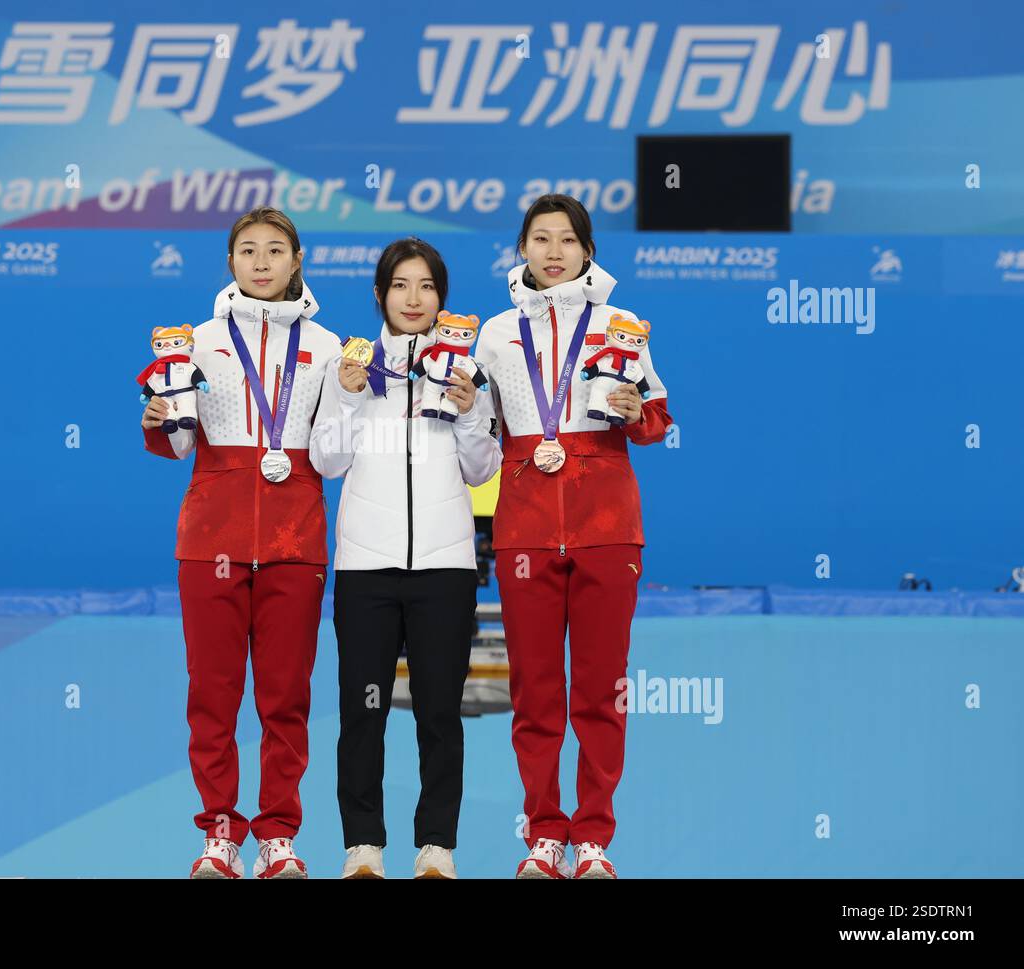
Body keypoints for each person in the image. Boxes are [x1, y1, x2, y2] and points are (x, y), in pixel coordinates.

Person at [473, 194, 674, 879]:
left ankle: (592, 839)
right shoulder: (495, 334)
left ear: (588, 251)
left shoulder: (622, 325)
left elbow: (655, 420)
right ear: (522, 248)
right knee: (532, 690)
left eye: (567, 240)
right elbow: (478, 429)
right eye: (540, 238)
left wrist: (634, 409)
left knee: (599, 686)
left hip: (606, 525)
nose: (554, 251)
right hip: (525, 521)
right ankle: (543, 837)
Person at [141, 206, 341, 879]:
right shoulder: (194, 344)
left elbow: (335, 451)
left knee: (286, 694)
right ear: (230, 262)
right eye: (248, 250)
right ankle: (220, 833)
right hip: (211, 537)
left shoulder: (327, 346)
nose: (261, 261)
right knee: (214, 691)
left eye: (275, 249)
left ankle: (278, 833)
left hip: (297, 537)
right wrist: (160, 420)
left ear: (296, 260)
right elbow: (178, 444)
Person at [310, 238, 502, 879]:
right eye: (400, 285)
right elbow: (327, 462)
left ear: (442, 297)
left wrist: (473, 413)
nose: (413, 299)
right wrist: (345, 397)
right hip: (366, 567)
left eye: (426, 286)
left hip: (446, 567)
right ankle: (363, 846)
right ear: (379, 295)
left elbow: (482, 471)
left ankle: (436, 847)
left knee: (440, 712)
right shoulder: (350, 366)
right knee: (362, 710)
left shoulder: (468, 371)